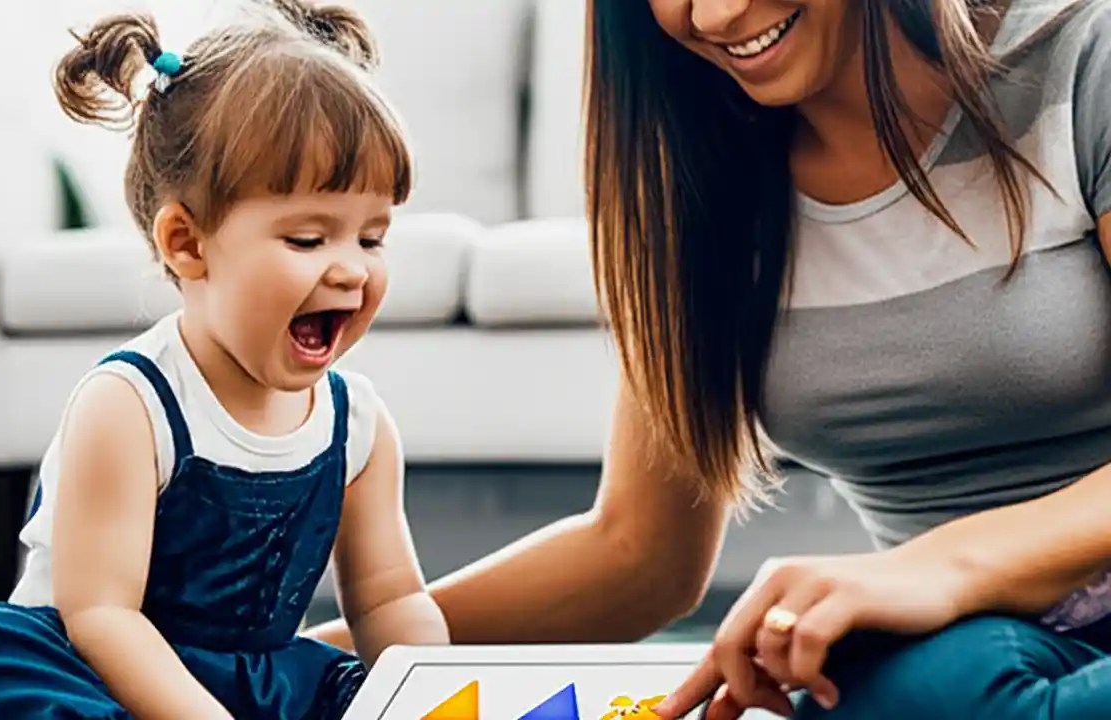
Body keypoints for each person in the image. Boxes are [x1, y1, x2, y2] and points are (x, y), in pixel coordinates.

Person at [305, 0, 1111, 717]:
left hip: (987, 631)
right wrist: (314, 664)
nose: (718, 15)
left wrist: (945, 567)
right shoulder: (698, 179)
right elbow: (637, 557)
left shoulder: (1080, 54)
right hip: (975, 659)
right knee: (907, 689)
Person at [0, 2, 448, 718]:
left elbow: (390, 597)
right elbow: (102, 617)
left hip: (250, 684)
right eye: (307, 240)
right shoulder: (130, 405)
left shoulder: (357, 426)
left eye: (372, 238)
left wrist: (431, 690)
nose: (352, 271)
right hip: (102, 669)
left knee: (347, 686)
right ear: (188, 244)